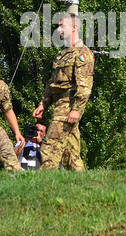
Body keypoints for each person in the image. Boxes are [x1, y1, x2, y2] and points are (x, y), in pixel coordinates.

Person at [34, 13, 94, 170]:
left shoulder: (82, 53)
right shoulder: (62, 54)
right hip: (59, 104)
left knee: (49, 148)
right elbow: (52, 82)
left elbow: (85, 86)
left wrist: (76, 110)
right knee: (71, 156)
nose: (58, 29)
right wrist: (44, 104)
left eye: (62, 26)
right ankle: (84, 188)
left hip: (68, 106)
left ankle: (43, 188)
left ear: (74, 28)